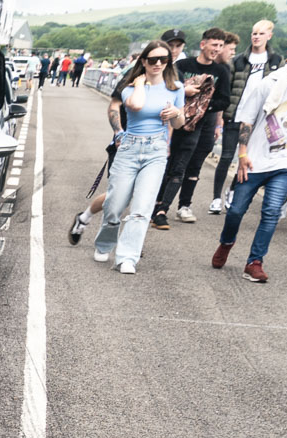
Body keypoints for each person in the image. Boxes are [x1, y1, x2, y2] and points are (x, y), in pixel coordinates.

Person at [212, 32, 287, 282]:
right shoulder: (268, 82)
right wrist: (242, 154)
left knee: (271, 212)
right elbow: (247, 118)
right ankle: (226, 242)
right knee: (236, 211)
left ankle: (255, 262)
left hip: (285, 163)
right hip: (254, 159)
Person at [90, 42, 185, 274]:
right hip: (130, 148)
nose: (159, 64)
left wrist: (176, 113)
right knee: (114, 206)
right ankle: (105, 243)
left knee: (142, 208)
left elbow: (179, 124)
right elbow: (135, 104)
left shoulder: (176, 88)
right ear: (143, 61)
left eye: (163, 59)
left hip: (156, 151)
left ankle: (127, 258)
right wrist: (142, 82)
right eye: (153, 60)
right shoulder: (130, 86)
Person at [153, 28, 232, 227]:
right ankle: (156, 204)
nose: (217, 49)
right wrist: (185, 92)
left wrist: (203, 107)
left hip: (202, 124)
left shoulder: (221, 71)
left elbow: (224, 100)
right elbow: (170, 92)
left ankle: (178, 206)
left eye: (221, 46)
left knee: (190, 165)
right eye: (214, 45)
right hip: (176, 121)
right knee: (170, 164)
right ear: (202, 44)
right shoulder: (182, 65)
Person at [213, 21, 277, 213]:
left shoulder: (275, 61)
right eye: (253, 33)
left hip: (257, 121)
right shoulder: (239, 60)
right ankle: (216, 197)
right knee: (226, 157)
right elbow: (226, 89)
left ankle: (232, 191)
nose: (256, 36)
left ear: (269, 36)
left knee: (246, 159)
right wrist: (221, 117)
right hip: (236, 115)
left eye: (260, 33)